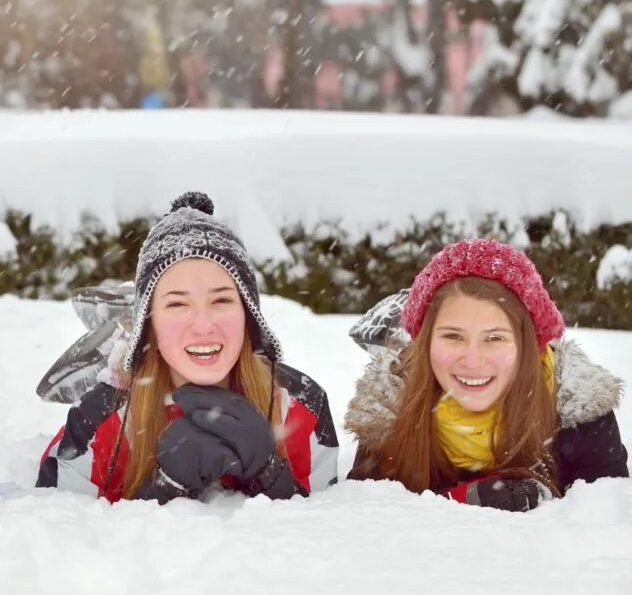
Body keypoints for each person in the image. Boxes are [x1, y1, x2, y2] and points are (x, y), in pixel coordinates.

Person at [38, 192, 338, 502]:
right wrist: (164, 487)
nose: (203, 326)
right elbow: (54, 523)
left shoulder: (302, 406)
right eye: (178, 304)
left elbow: (332, 523)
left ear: (248, 315)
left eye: (221, 300)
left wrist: (269, 475)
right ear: (149, 323)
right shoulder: (97, 419)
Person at [345, 238, 627, 510]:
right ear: (425, 342)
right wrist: (460, 501)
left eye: (494, 338)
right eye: (453, 336)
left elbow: (603, 525)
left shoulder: (577, 414)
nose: (472, 361)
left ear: (527, 344)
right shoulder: (390, 407)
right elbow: (369, 525)